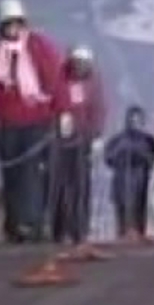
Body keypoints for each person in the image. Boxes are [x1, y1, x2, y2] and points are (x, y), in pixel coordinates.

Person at [0, 0, 74, 244]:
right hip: (4, 123)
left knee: (31, 174)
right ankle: (15, 224)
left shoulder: (39, 47)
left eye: (16, 24)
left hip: (36, 119)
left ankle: (32, 222)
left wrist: (64, 111)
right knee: (11, 173)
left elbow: (56, 80)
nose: (12, 30)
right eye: (8, 25)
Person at [48, 45, 109, 250]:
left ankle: (80, 230)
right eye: (77, 64)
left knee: (81, 184)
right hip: (60, 137)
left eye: (83, 65)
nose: (80, 68)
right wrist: (62, 115)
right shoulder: (62, 77)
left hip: (83, 138)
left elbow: (98, 108)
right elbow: (55, 97)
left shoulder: (93, 82)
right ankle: (60, 229)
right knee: (60, 184)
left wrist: (97, 135)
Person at [104, 106, 154, 243]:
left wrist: (141, 157)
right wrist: (121, 155)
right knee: (122, 206)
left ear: (142, 121)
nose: (134, 122)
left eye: (137, 120)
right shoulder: (117, 139)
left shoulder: (149, 140)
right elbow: (108, 158)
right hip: (121, 178)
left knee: (139, 206)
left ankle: (140, 233)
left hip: (141, 178)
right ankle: (122, 233)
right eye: (132, 119)